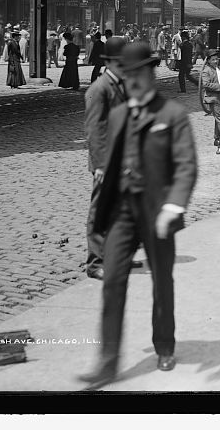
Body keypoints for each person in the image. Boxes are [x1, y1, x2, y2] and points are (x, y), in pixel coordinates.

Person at [79, 41, 198, 385]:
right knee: (113, 281)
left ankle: (164, 346)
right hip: (123, 213)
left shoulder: (172, 115)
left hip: (157, 211)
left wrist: (173, 206)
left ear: (150, 73)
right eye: (127, 75)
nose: (131, 81)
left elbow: (186, 166)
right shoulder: (117, 115)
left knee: (162, 282)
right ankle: (108, 361)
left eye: (137, 74)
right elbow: (111, 163)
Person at [83, 35, 130, 280]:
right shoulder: (99, 89)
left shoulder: (120, 86)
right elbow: (94, 131)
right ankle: (95, 263)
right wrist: (100, 165)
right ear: (111, 62)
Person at [200, 49, 220, 146]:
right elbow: (206, 84)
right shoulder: (206, 71)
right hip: (213, 97)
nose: (216, 61)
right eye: (213, 60)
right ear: (208, 61)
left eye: (217, 59)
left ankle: (217, 139)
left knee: (218, 118)